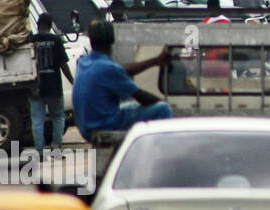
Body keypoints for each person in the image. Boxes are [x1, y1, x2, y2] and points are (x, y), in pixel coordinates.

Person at [72, 21, 172, 138]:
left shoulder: (84, 61)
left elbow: (120, 70)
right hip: (104, 124)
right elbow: (142, 98)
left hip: (85, 126)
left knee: (130, 105)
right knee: (163, 109)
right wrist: (163, 102)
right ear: (112, 40)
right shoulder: (108, 68)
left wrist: (155, 61)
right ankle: (158, 146)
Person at [29, 13, 73, 152]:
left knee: (37, 120)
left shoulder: (31, 41)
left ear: (38, 24)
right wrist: (72, 81)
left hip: (35, 87)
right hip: (54, 86)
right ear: (50, 25)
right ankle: (55, 146)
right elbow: (63, 64)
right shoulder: (56, 40)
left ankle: (39, 150)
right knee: (58, 116)